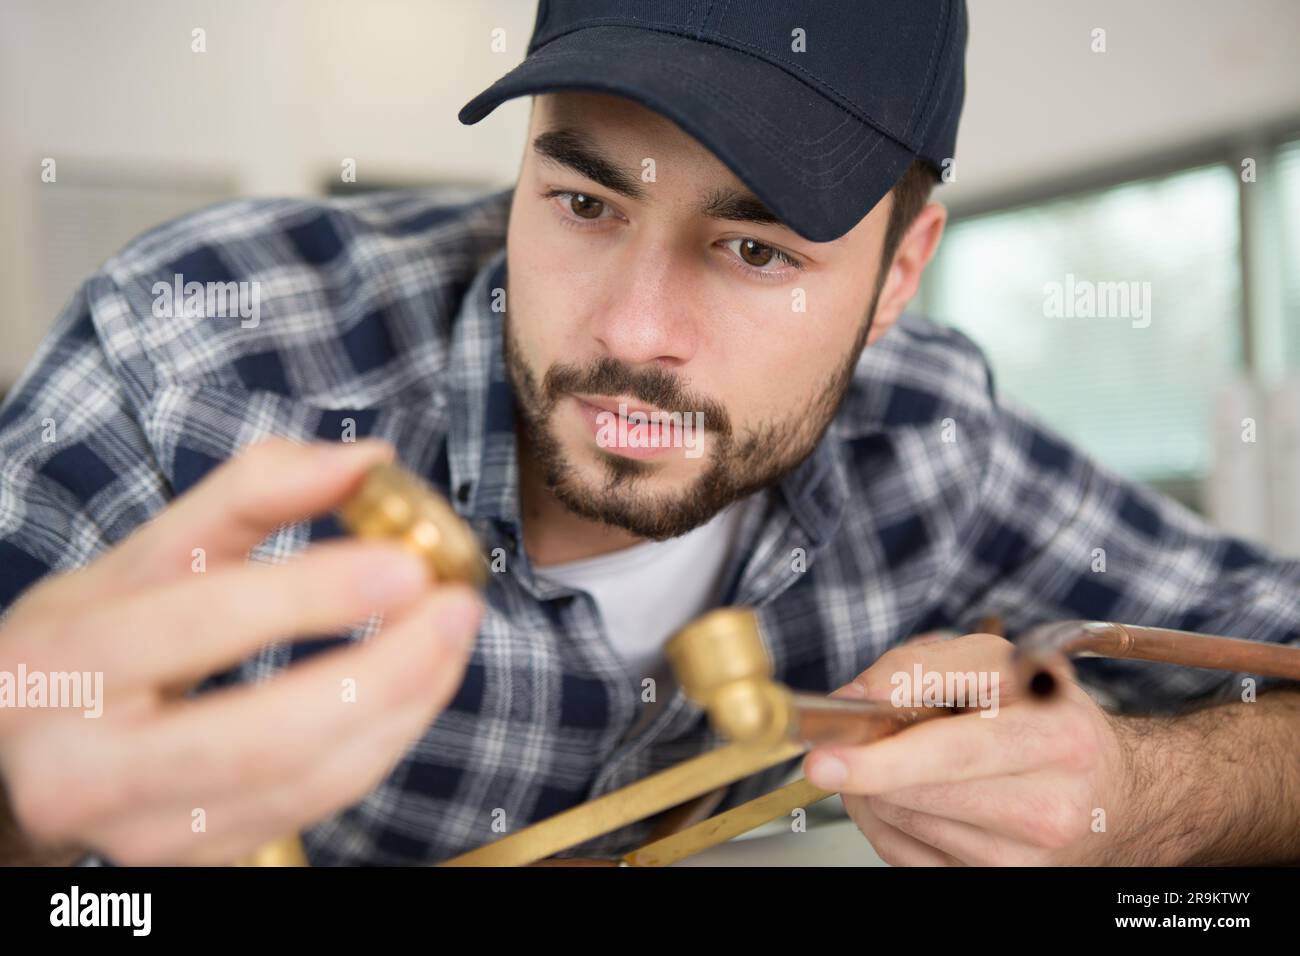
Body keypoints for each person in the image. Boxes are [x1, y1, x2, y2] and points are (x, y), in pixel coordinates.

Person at [0, 0, 1296, 867]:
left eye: (751, 249)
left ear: (900, 277)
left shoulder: (933, 441)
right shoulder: (197, 347)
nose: (632, 330)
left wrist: (1142, 797)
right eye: (583, 201)